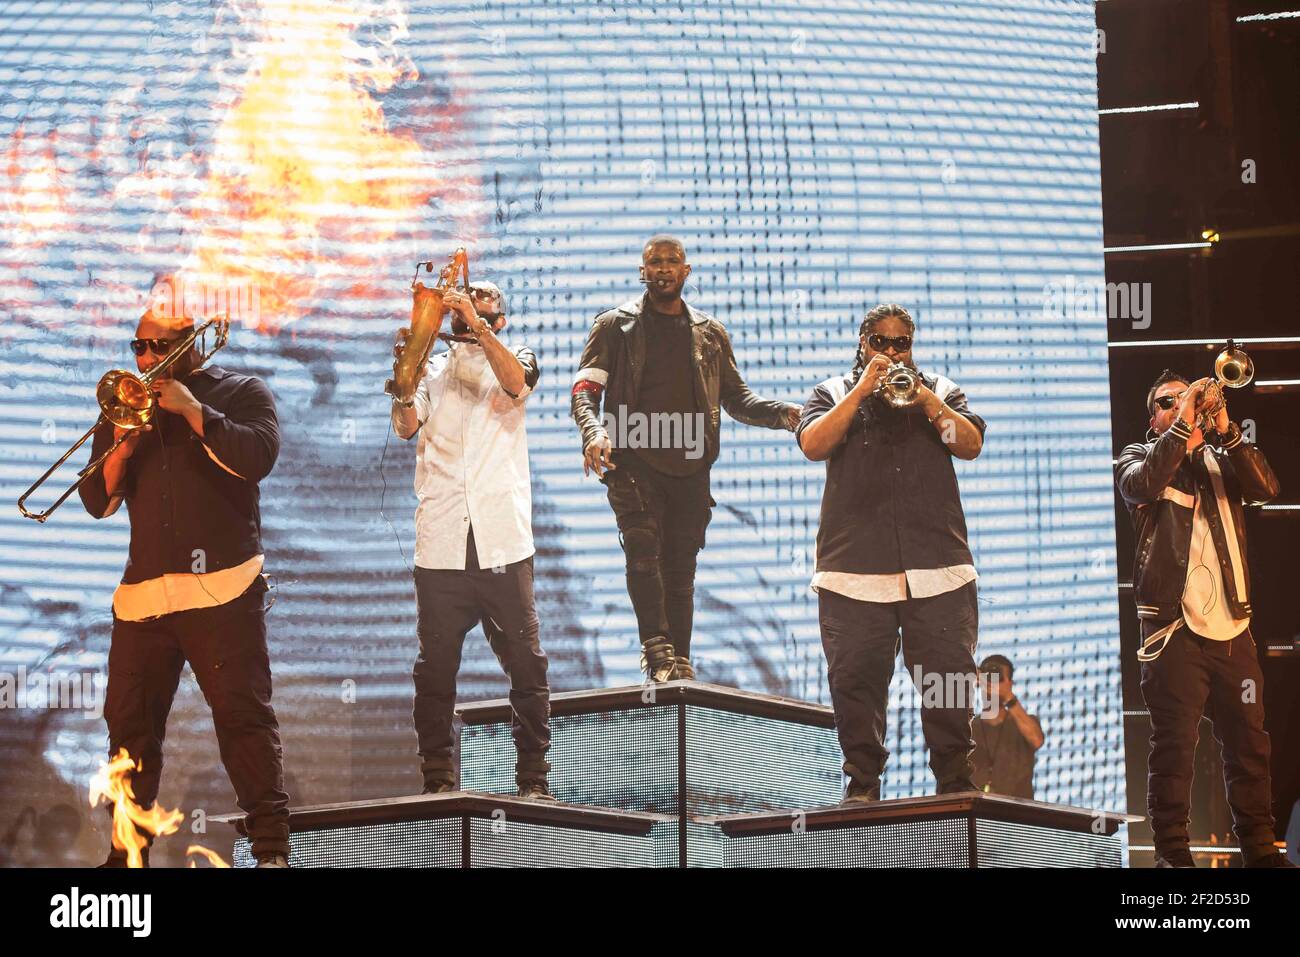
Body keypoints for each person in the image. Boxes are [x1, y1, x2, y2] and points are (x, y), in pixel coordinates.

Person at [79, 306, 289, 867]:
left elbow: (257, 457)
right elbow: (97, 501)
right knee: (128, 733)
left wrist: (196, 412)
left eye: (158, 347)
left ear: (190, 344)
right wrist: (122, 443)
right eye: (138, 347)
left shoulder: (242, 391)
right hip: (145, 596)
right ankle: (127, 856)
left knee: (243, 722)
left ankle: (270, 851)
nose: (146, 359)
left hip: (222, 591)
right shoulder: (127, 402)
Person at [571, 234, 800, 682]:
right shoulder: (614, 326)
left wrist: (784, 415)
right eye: (654, 262)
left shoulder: (709, 334)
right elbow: (585, 391)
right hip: (632, 460)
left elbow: (736, 398)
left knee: (680, 568)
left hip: (691, 465)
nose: (662, 269)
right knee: (641, 547)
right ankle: (656, 650)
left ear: (686, 271)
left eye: (671, 261)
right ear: (642, 271)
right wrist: (593, 430)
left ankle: (680, 661)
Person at [797, 303, 985, 803]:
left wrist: (922, 397)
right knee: (856, 690)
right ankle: (862, 792)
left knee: (948, 686)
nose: (890, 350)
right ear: (863, 343)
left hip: (939, 572)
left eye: (900, 342)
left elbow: (968, 444)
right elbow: (813, 444)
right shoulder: (834, 392)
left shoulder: (939, 390)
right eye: (880, 341)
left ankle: (955, 794)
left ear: (912, 346)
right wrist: (863, 390)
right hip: (853, 575)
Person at [1115, 369, 1294, 867]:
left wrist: (1229, 431)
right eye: (1169, 402)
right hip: (1175, 630)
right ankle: (1174, 854)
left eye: (1186, 400)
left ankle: (1260, 849)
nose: (1182, 407)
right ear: (1154, 419)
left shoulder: (1221, 460)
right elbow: (1144, 483)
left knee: (1250, 744)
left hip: (1233, 629)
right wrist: (1184, 426)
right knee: (1174, 746)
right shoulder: (1139, 457)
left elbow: (1268, 487)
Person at [391, 278, 553, 799]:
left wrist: (477, 325)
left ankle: (532, 778)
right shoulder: (432, 369)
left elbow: (515, 383)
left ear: (499, 318)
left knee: (527, 663)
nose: (470, 297)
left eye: (484, 297)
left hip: (503, 542)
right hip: (441, 545)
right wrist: (403, 373)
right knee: (435, 668)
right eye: (466, 295)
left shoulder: (517, 354)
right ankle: (436, 778)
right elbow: (405, 425)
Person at [971, 655, 1044, 799]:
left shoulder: (1025, 722)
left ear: (1010, 683)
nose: (992, 682)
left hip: (1017, 812)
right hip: (978, 812)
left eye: (998, 677)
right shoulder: (969, 728)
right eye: (988, 676)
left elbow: (1036, 740)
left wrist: (1008, 697)